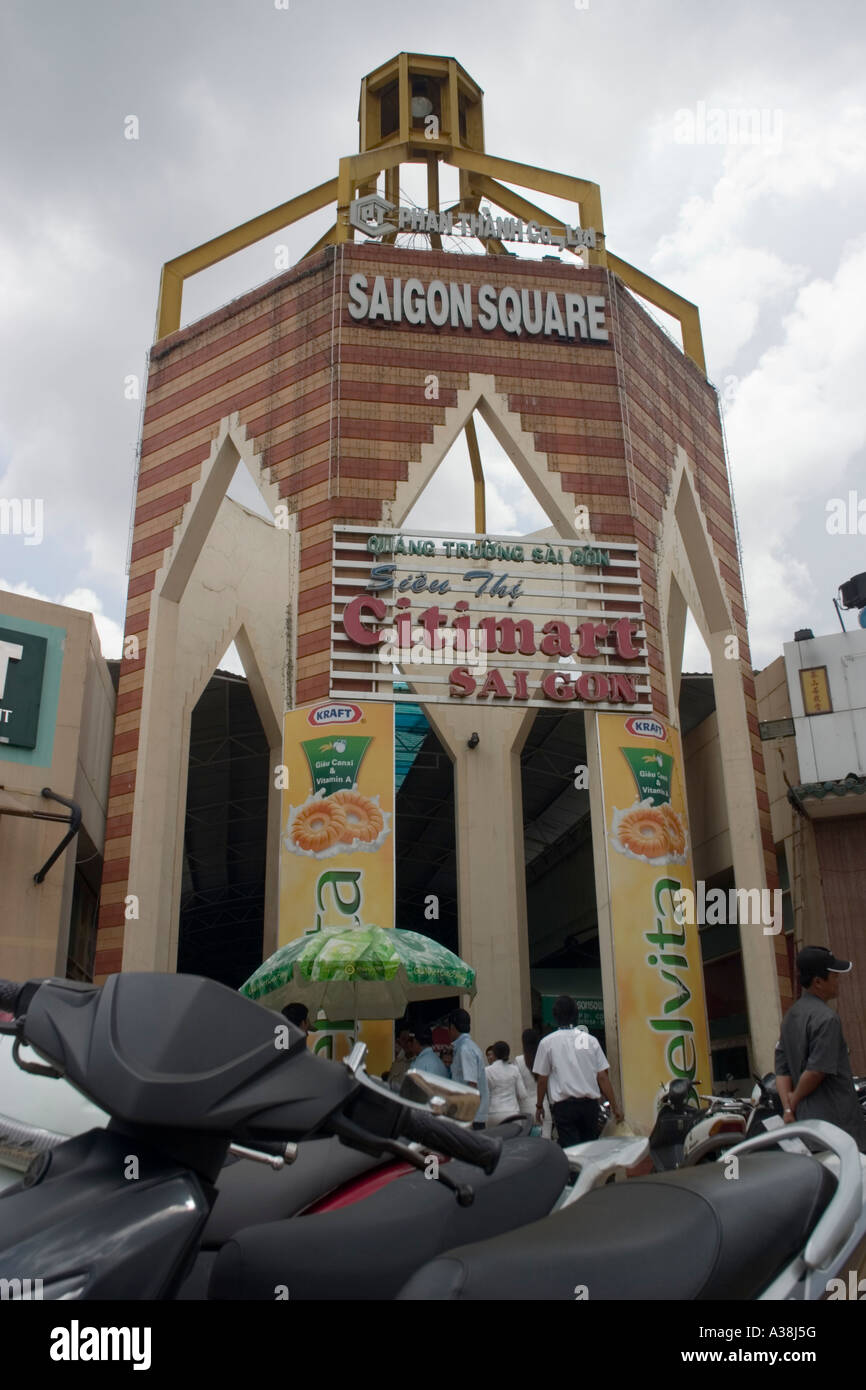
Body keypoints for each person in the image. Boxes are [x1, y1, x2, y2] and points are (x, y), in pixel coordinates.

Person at [775, 945, 866, 1153]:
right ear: (818, 982)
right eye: (834, 976)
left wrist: (788, 1109)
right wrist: (794, 1100)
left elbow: (782, 1070)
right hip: (837, 1127)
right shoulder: (827, 1019)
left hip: (808, 1129)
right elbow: (817, 1071)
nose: (838, 980)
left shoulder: (789, 1018)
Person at [533, 995, 622, 1147]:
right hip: (589, 1107)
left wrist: (539, 1106)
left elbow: (542, 1080)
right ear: (576, 1015)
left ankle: (576, 1171)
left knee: (572, 1151)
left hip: (564, 1108)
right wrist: (615, 1107)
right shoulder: (590, 1040)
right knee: (589, 1149)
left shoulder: (547, 1043)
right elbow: (602, 1077)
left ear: (555, 1016)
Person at [448, 1008, 489, 1129]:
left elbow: (472, 1084)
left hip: (470, 1117)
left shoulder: (465, 1049)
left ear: (453, 1027)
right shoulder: (468, 1047)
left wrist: (467, 1115)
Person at [515, 1027, 552, 1137]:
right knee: (546, 1145)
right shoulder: (544, 1059)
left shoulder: (518, 1061)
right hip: (543, 1107)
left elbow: (518, 1090)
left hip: (525, 1109)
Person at [485, 1040, 528, 1126]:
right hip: (512, 1113)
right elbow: (523, 1094)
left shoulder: (487, 1070)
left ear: (494, 1054)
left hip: (493, 1113)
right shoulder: (514, 1069)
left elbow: (484, 1094)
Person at [387, 1025, 414, 1091]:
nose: (407, 1043)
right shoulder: (397, 1062)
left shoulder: (420, 1061)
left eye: (409, 1040)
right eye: (404, 1039)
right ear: (399, 1041)